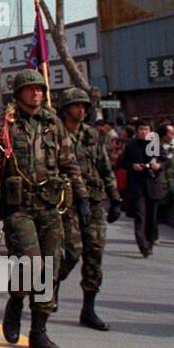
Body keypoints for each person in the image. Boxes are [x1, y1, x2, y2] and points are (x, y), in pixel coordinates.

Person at [0, 69, 87, 348]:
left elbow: (68, 162)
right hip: (19, 208)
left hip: (50, 207)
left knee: (50, 268)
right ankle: (16, 301)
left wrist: (83, 197)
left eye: (40, 89)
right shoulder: (6, 125)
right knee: (31, 264)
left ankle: (39, 330)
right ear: (18, 93)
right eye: (30, 89)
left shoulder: (53, 123)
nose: (36, 93)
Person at [56, 87, 121, 331]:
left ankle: (88, 309)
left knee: (94, 255)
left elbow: (104, 167)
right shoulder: (55, 135)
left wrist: (115, 199)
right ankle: (51, 287)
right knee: (71, 252)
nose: (82, 110)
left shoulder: (92, 135)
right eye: (76, 105)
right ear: (65, 109)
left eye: (84, 106)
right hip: (66, 203)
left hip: (93, 202)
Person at [118, 120, 168, 257]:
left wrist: (159, 166)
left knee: (152, 217)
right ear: (136, 131)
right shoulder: (131, 145)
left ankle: (149, 242)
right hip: (137, 185)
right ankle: (142, 244)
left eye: (146, 129)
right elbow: (122, 163)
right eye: (141, 129)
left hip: (153, 185)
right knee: (140, 216)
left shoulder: (156, 144)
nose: (143, 132)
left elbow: (166, 161)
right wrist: (132, 166)